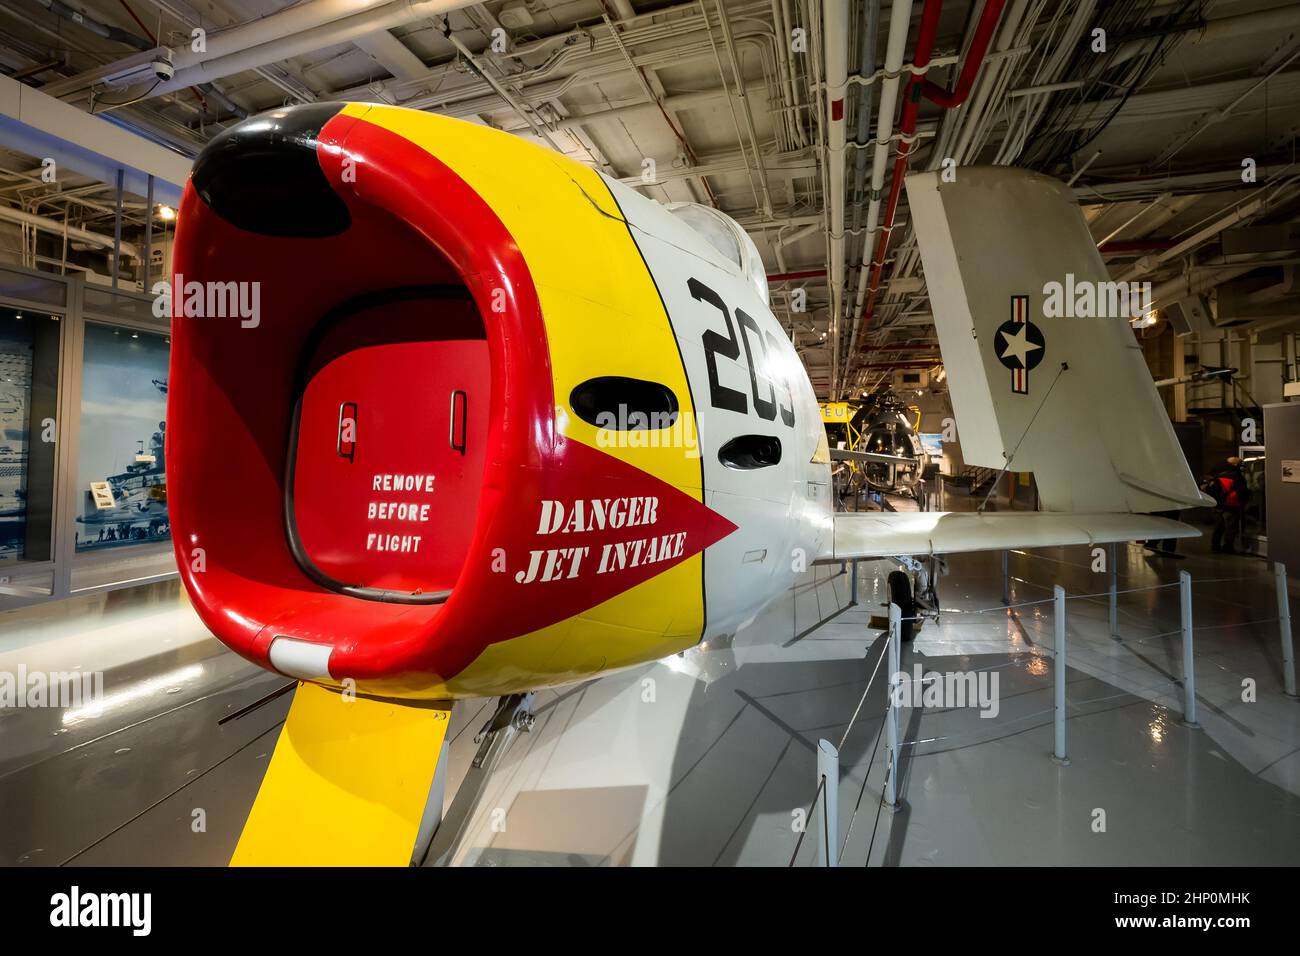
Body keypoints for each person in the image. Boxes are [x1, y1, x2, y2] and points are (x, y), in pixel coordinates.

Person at [1207, 456, 1250, 554]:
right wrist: (1244, 502)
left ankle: (1215, 545)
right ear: (1237, 465)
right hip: (1230, 505)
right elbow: (1241, 492)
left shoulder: (1218, 475)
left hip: (1217, 504)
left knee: (1218, 526)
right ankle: (1228, 547)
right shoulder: (1237, 476)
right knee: (1230, 527)